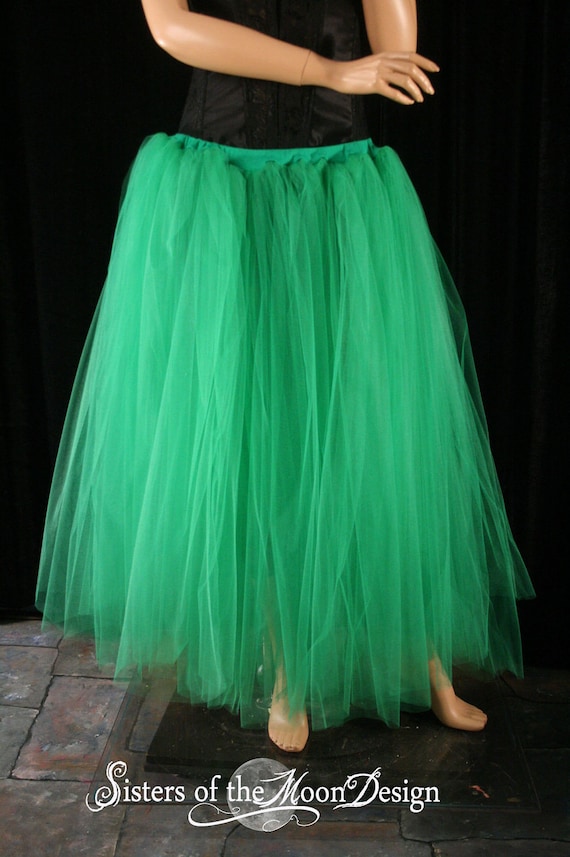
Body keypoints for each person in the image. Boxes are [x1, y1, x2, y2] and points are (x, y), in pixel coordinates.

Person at [36, 0, 534, 753]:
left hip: (339, 190)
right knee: (250, 433)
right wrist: (330, 70)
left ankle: (419, 653)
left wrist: (353, 70)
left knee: (371, 428)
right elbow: (169, 26)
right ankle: (286, 665)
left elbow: (397, 54)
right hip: (223, 194)